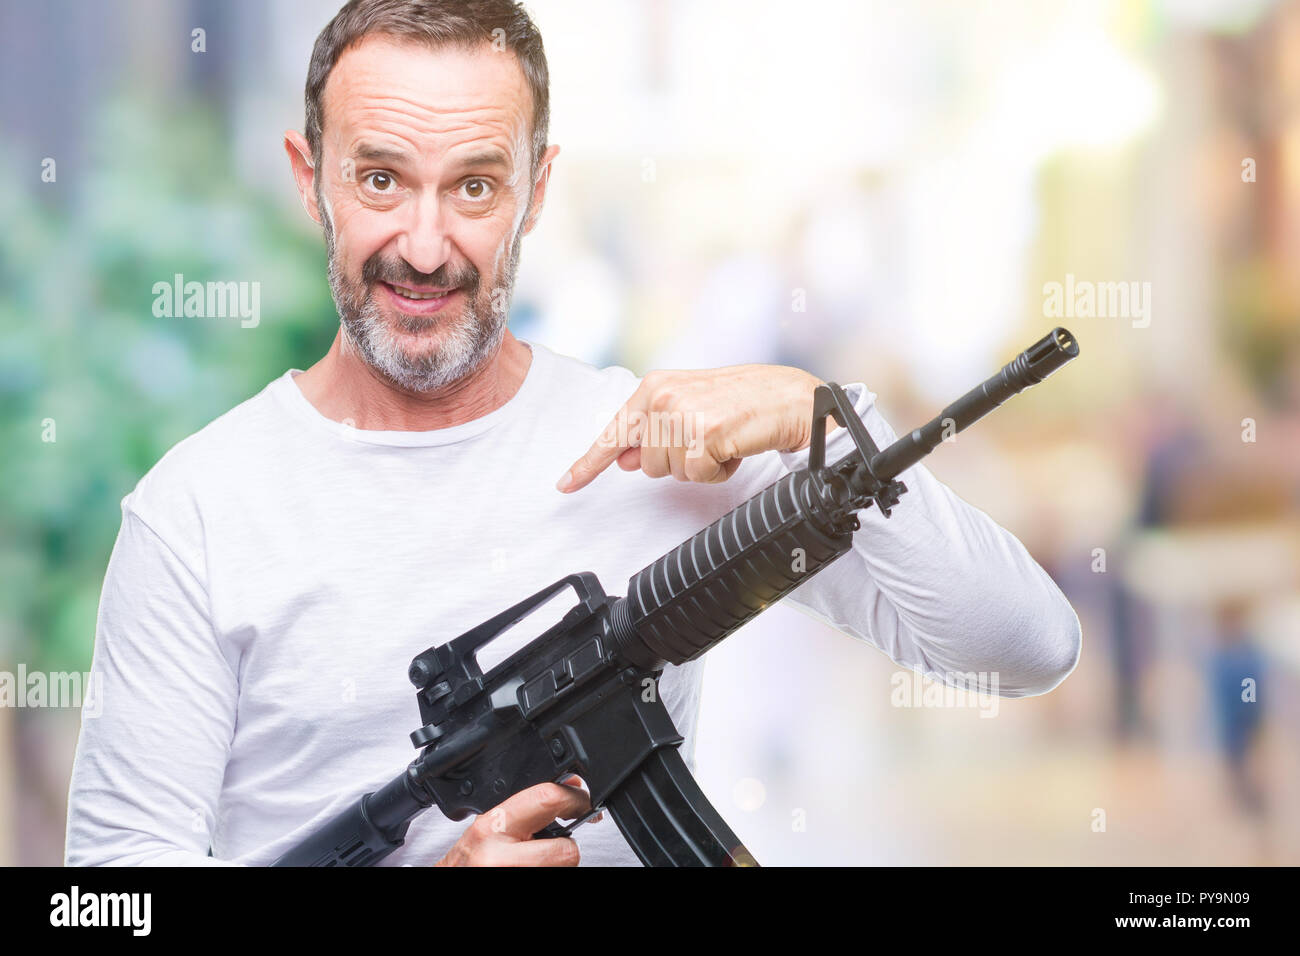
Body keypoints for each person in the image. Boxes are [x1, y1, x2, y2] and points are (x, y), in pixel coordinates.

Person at [64, 0, 1081, 867]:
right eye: (380, 179)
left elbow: (1023, 647)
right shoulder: (195, 512)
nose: (424, 246)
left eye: (473, 184)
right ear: (309, 177)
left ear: (537, 191)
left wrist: (818, 416)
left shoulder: (656, 446)